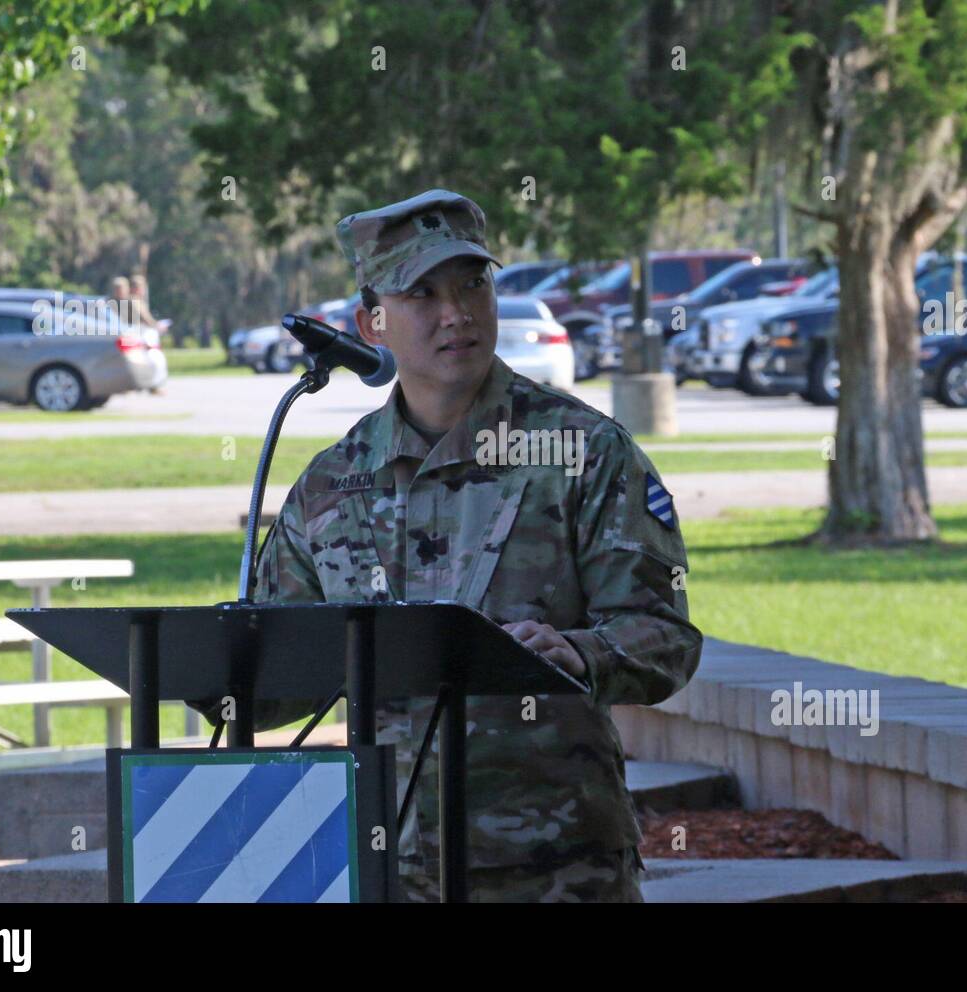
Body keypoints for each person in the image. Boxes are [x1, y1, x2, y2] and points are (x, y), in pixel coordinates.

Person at [202, 189, 702, 902]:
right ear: (371, 322)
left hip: (557, 871)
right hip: (385, 869)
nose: (457, 312)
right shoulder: (331, 484)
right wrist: (212, 669)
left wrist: (584, 653)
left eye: (474, 283)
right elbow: (277, 683)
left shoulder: (584, 453)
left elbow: (666, 638)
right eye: (423, 292)